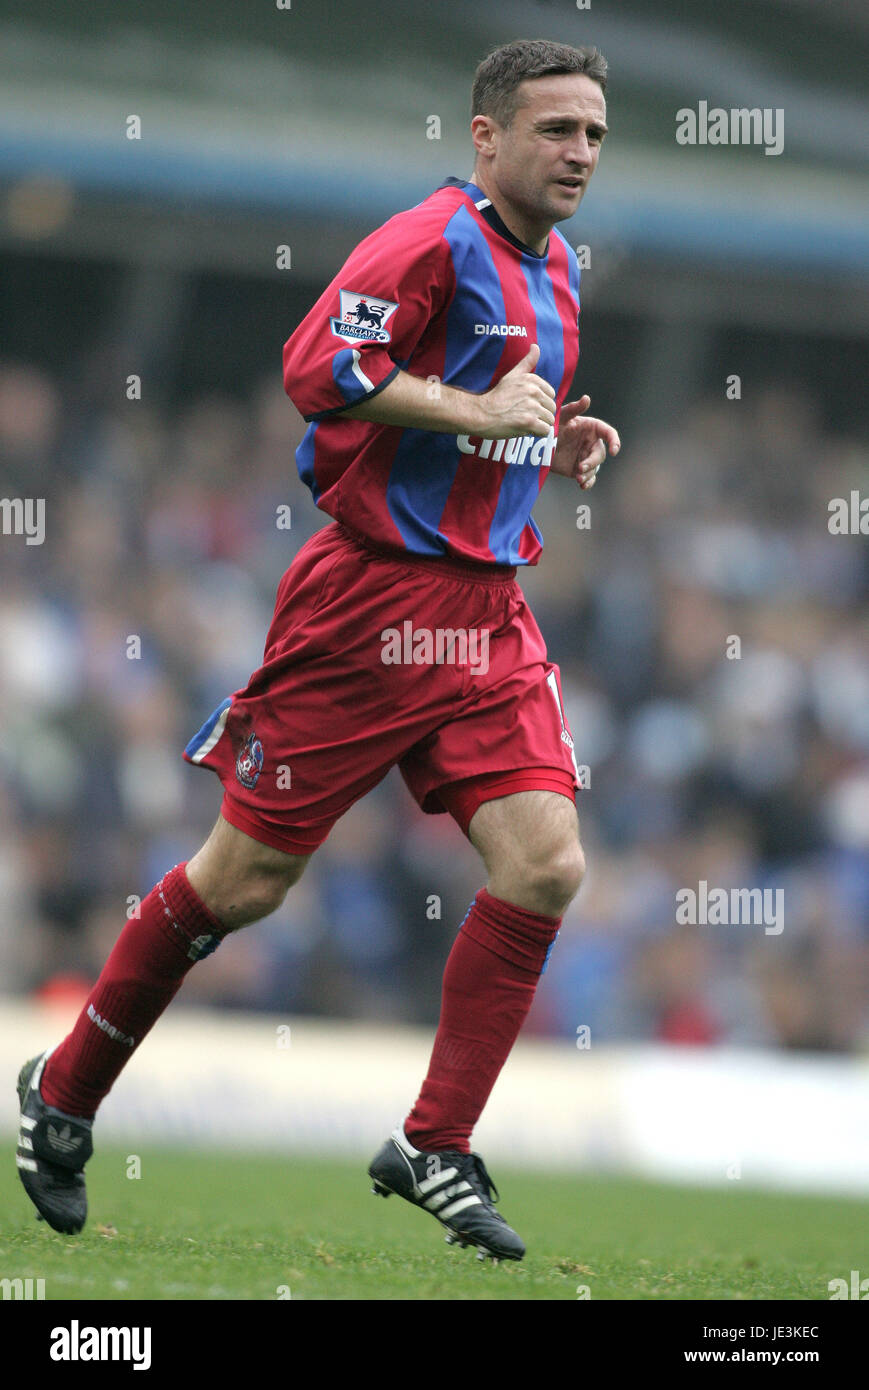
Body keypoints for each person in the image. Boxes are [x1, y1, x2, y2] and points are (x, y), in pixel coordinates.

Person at [17, 37, 619, 1263]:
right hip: (363, 609)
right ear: (485, 137)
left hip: (486, 610)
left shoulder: (553, 264)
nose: (577, 154)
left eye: (594, 134)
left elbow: (480, 408)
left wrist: (537, 443)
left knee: (546, 864)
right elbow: (319, 372)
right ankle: (62, 1093)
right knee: (240, 885)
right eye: (554, 130)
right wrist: (475, 412)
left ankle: (432, 1142)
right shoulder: (423, 240)